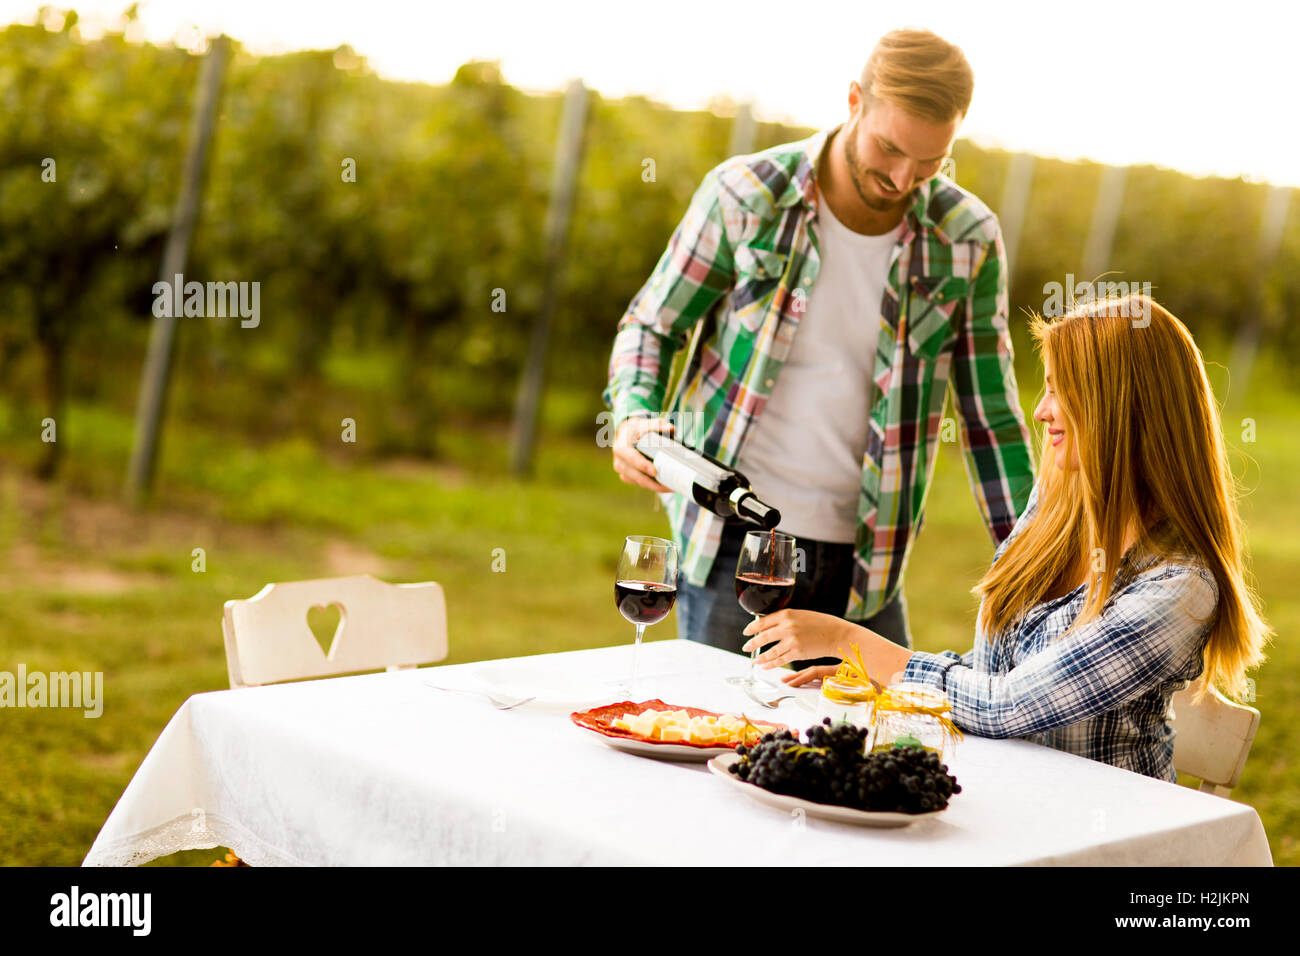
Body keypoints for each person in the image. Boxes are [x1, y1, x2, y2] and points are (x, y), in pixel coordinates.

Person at [604, 29, 1034, 658]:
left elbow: (991, 422)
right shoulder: (746, 194)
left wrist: (1038, 558)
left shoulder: (967, 236)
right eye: (889, 149)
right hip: (734, 548)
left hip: (872, 564)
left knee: (879, 745)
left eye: (930, 162)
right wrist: (635, 415)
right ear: (854, 99)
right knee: (724, 740)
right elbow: (653, 324)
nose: (902, 177)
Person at [743, 294, 1271, 781]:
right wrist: (875, 676)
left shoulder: (1180, 588)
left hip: (1100, 835)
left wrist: (849, 640)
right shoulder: (1055, 507)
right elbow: (996, 670)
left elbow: (1008, 705)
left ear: (1120, 408)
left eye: (1061, 390)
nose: (1042, 410)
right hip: (1000, 794)